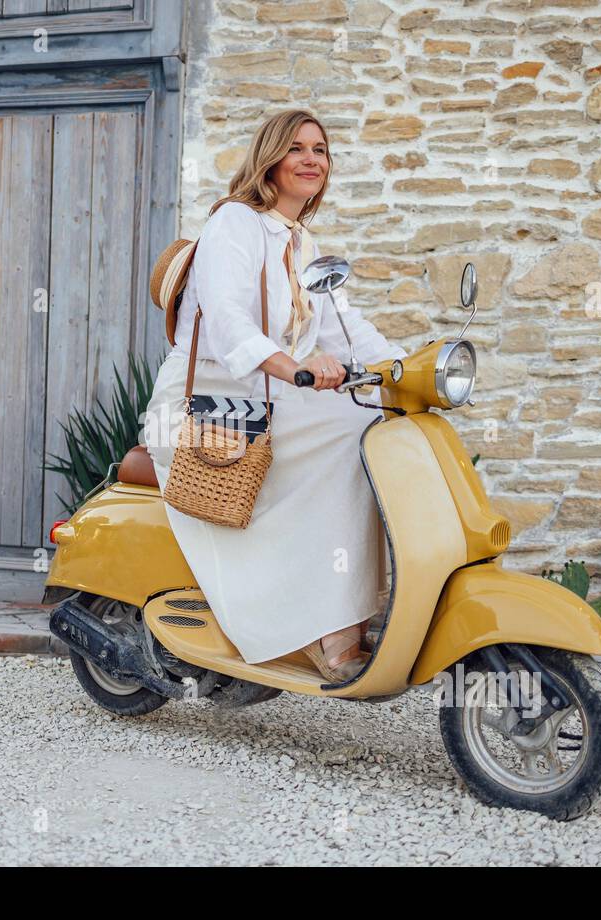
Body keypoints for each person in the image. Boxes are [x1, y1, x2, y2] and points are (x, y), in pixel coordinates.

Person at [143, 109, 409, 682]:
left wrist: (406, 367)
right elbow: (229, 324)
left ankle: (343, 613)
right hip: (210, 402)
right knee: (347, 435)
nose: (312, 159)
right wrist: (297, 369)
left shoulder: (301, 241)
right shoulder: (234, 223)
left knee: (375, 430)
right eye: (297, 148)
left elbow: (342, 324)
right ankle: (324, 632)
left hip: (268, 396)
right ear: (270, 158)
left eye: (321, 149)